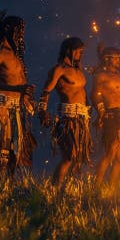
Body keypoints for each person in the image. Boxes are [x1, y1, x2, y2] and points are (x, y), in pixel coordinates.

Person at [0, 12, 36, 179]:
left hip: (16, 110)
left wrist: (25, 96)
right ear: (8, 30)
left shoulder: (16, 57)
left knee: (14, 152)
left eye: (23, 32)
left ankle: (7, 189)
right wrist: (17, 88)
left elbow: (19, 84)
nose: (21, 35)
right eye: (19, 31)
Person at [39, 37, 92, 187]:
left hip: (82, 118)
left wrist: (88, 106)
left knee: (78, 157)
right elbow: (46, 91)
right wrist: (42, 111)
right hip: (68, 119)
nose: (81, 54)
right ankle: (54, 189)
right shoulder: (59, 69)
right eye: (78, 51)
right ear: (69, 50)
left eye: (82, 52)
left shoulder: (78, 70)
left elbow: (82, 91)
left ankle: (70, 188)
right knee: (69, 156)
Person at [92, 45, 120, 187]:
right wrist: (101, 112)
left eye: (119, 58)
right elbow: (94, 95)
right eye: (115, 58)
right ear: (107, 59)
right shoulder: (101, 76)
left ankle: (111, 188)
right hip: (113, 116)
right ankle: (96, 187)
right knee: (110, 153)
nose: (118, 61)